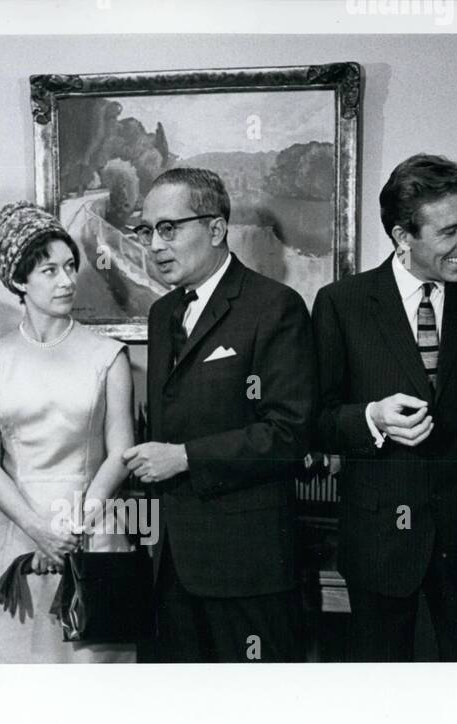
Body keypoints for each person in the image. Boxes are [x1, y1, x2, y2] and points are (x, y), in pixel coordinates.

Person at [312, 153, 457, 662]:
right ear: (403, 236)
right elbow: (313, 421)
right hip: (379, 545)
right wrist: (371, 419)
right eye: (450, 231)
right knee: (382, 703)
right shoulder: (342, 303)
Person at [126, 167, 315, 663]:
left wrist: (185, 457)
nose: (155, 244)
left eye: (170, 228)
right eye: (147, 231)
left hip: (250, 569)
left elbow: (289, 434)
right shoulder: (163, 314)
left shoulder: (275, 307)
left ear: (215, 229)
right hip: (173, 568)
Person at [0, 202, 136, 663]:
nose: (67, 281)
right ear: (19, 280)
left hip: (92, 532)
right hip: (16, 534)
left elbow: (120, 450)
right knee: (18, 680)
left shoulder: (108, 356)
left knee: (91, 681)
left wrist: (75, 527)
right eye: (50, 270)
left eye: (69, 267)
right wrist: (38, 530)